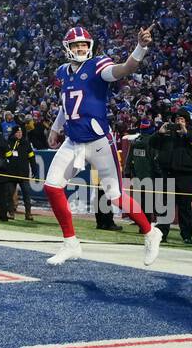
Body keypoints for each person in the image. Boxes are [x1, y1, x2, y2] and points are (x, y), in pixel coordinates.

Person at [44, 25, 162, 266]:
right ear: (67, 47)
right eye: (76, 44)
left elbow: (124, 69)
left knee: (115, 196)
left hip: (98, 141)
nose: (81, 48)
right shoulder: (63, 72)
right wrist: (56, 128)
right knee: (52, 187)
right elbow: (67, 105)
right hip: (73, 141)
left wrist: (140, 47)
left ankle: (151, 232)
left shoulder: (97, 65)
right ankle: (70, 243)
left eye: (84, 44)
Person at [154, 110, 192, 243]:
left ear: (187, 121)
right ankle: (161, 234)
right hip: (168, 174)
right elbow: (152, 144)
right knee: (165, 206)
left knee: (185, 206)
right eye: (177, 119)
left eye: (181, 119)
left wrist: (186, 133)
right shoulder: (167, 132)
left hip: (186, 175)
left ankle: (187, 235)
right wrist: (159, 133)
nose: (179, 122)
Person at [8, 125, 36, 221]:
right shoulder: (9, 142)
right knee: (10, 194)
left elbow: (31, 156)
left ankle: (28, 213)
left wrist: (34, 168)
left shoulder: (26, 143)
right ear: (14, 133)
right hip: (11, 173)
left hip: (23, 173)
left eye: (20, 132)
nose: (19, 134)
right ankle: (11, 213)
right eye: (17, 132)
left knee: (26, 194)